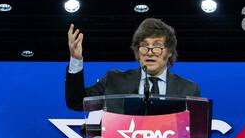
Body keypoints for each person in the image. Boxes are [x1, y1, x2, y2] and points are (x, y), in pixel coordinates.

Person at [65, 17, 201, 111]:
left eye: (157, 46)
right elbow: (77, 103)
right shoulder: (114, 80)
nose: (150, 52)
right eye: (144, 46)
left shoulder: (188, 89)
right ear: (137, 51)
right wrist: (76, 59)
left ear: (170, 52)